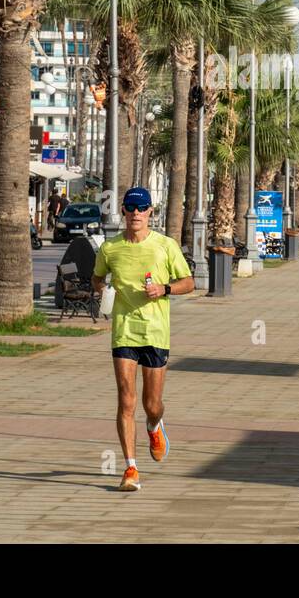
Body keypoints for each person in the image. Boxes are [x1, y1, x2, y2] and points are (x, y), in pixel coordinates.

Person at [91, 186, 195, 492]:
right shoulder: (110, 249)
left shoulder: (165, 245)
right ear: (123, 211)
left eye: (142, 208)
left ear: (151, 212)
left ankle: (154, 426)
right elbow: (97, 278)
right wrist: (102, 290)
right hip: (124, 331)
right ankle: (131, 469)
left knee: (152, 404)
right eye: (131, 207)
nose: (136, 213)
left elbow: (189, 282)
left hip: (155, 332)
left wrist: (164, 289)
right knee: (126, 400)